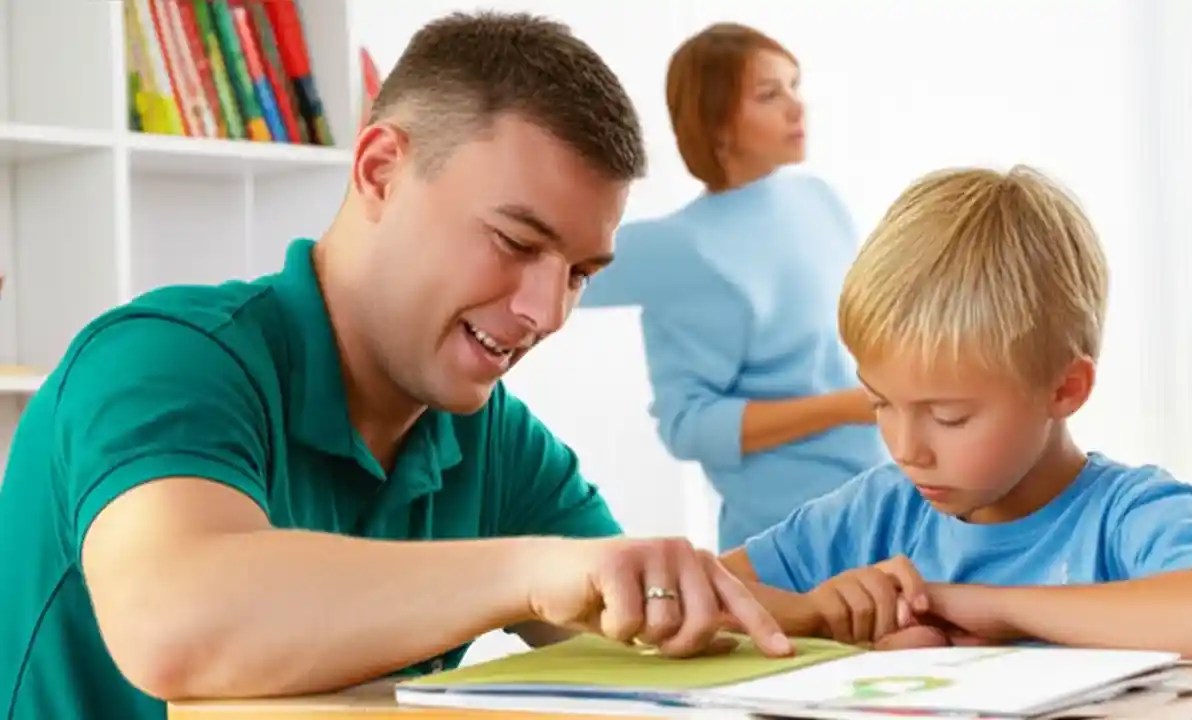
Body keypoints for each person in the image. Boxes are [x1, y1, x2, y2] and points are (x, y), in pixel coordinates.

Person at [0, 12, 795, 720]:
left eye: (580, 273)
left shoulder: (487, 436)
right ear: (381, 170)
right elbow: (174, 626)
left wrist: (829, 616)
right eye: (516, 244)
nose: (547, 313)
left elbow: (642, 623)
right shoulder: (164, 357)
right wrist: (528, 569)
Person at [719, 165, 1192, 663]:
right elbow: (697, 598)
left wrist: (982, 606)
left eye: (949, 417)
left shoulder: (1128, 514)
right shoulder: (876, 512)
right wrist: (816, 614)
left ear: (1064, 389)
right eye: (879, 404)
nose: (906, 448)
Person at [581, 23, 888, 552]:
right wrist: (848, 406)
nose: (797, 108)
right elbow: (690, 426)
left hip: (883, 505)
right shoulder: (682, 249)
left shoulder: (819, 201)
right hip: (790, 546)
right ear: (716, 123)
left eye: (795, 86)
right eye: (770, 94)